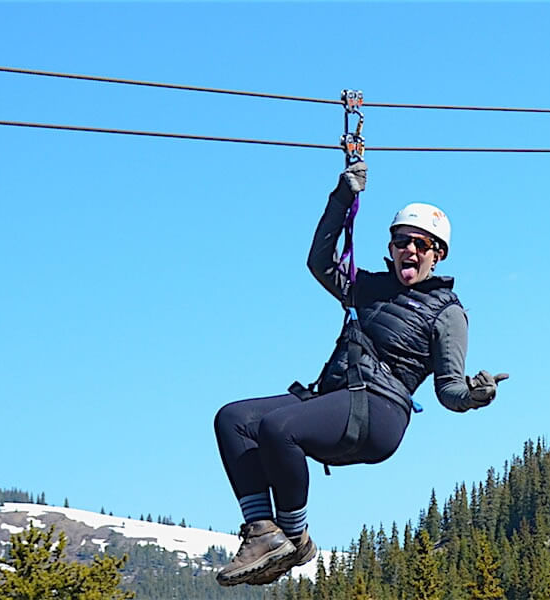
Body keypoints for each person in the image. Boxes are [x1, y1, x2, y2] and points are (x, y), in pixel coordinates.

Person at [211, 162, 508, 586]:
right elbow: (319, 261)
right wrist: (342, 198)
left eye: (421, 243)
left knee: (279, 428)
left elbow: (449, 389)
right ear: (391, 247)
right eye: (401, 241)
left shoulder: (448, 312)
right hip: (336, 396)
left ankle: (292, 537)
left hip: (380, 412)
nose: (410, 250)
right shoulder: (366, 288)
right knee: (234, 419)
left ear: (437, 253)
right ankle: (262, 531)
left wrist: (475, 396)